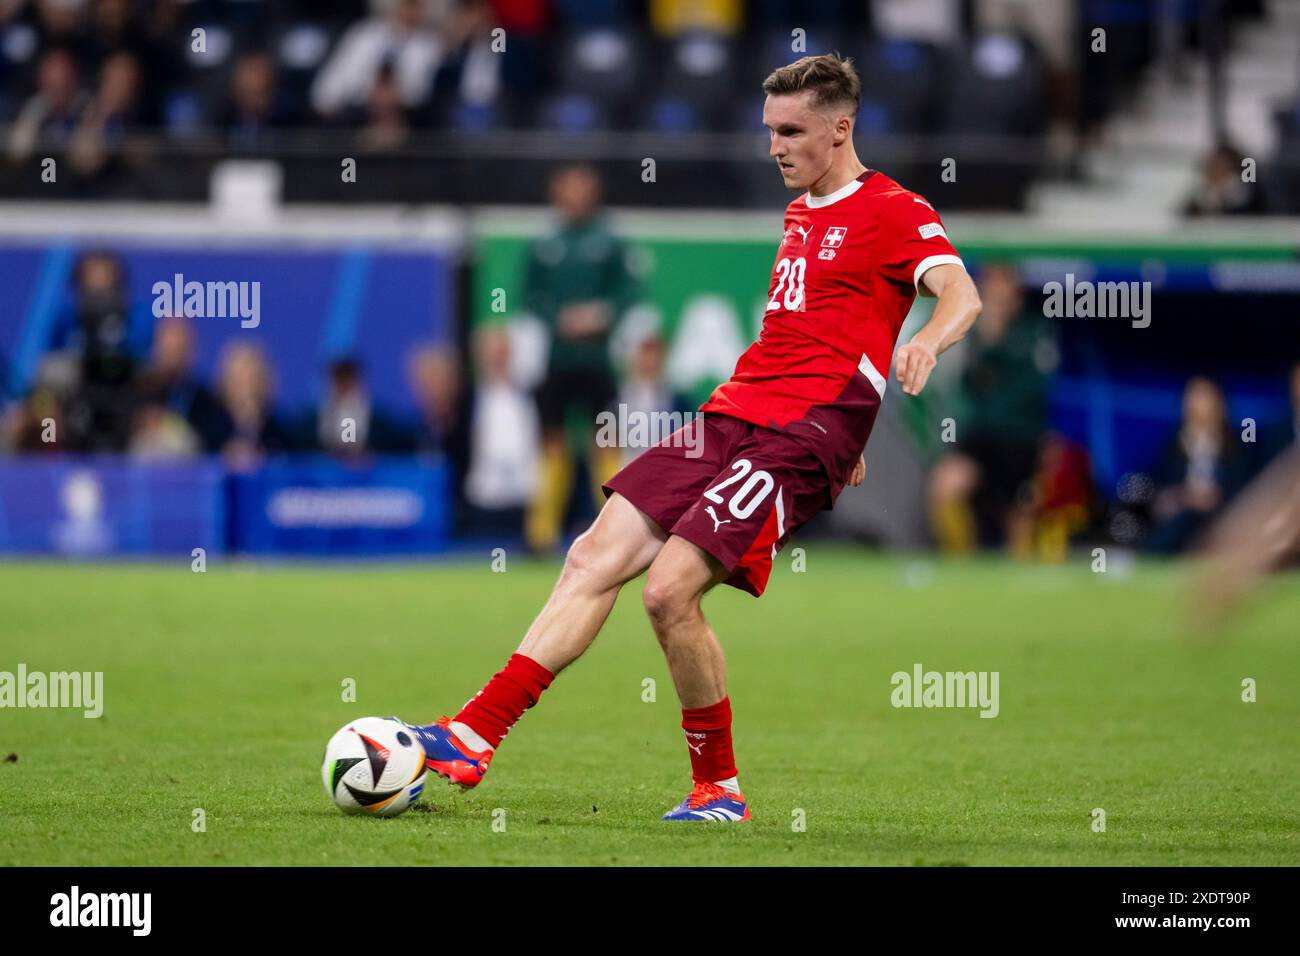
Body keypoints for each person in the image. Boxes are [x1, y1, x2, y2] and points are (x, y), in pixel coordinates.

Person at [398, 54, 982, 822]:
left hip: (797, 434)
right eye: (769, 130)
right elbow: (823, 332)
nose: (774, 147)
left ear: (841, 129)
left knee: (668, 592)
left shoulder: (894, 209)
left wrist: (924, 345)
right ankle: (472, 735)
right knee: (593, 554)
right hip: (735, 411)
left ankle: (719, 790)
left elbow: (960, 293)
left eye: (791, 131)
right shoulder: (800, 212)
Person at [523, 162, 644, 552]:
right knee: (551, 442)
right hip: (557, 360)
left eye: (582, 189)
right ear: (556, 194)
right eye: (568, 189)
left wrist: (600, 315)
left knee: (605, 441)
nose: (575, 197)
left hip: (597, 361)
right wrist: (559, 318)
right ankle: (541, 535)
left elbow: (629, 292)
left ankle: (613, 532)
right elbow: (528, 296)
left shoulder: (609, 242)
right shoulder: (545, 244)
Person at [927, 263, 1055, 552]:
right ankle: (962, 564)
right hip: (978, 437)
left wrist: (996, 347)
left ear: (1016, 292)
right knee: (946, 484)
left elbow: (1031, 388)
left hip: (1020, 439)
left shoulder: (1034, 331)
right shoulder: (969, 330)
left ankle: (1020, 571)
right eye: (990, 287)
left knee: (1019, 512)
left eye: (1002, 286)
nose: (996, 295)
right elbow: (966, 383)